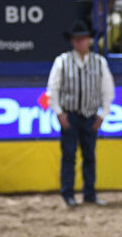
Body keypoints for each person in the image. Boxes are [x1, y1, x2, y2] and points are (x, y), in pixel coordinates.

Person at [46, 21, 115, 209]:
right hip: (70, 115)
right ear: (72, 42)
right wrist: (59, 113)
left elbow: (107, 91)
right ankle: (68, 194)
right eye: (77, 40)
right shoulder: (62, 61)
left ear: (89, 41)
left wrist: (102, 115)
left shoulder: (99, 62)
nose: (80, 43)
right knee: (69, 155)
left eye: (83, 39)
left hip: (90, 116)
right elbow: (52, 90)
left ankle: (89, 194)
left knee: (89, 156)